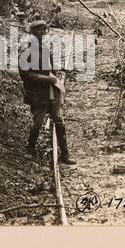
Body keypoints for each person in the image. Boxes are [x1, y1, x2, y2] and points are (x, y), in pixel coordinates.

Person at [19, 18, 76, 165]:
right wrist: (46, 79)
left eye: (44, 30)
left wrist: (54, 76)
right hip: (38, 92)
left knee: (59, 121)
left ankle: (65, 154)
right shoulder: (26, 50)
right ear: (32, 33)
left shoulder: (45, 49)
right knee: (37, 123)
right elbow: (25, 75)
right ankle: (30, 150)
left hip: (52, 90)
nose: (43, 33)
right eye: (40, 31)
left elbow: (50, 69)